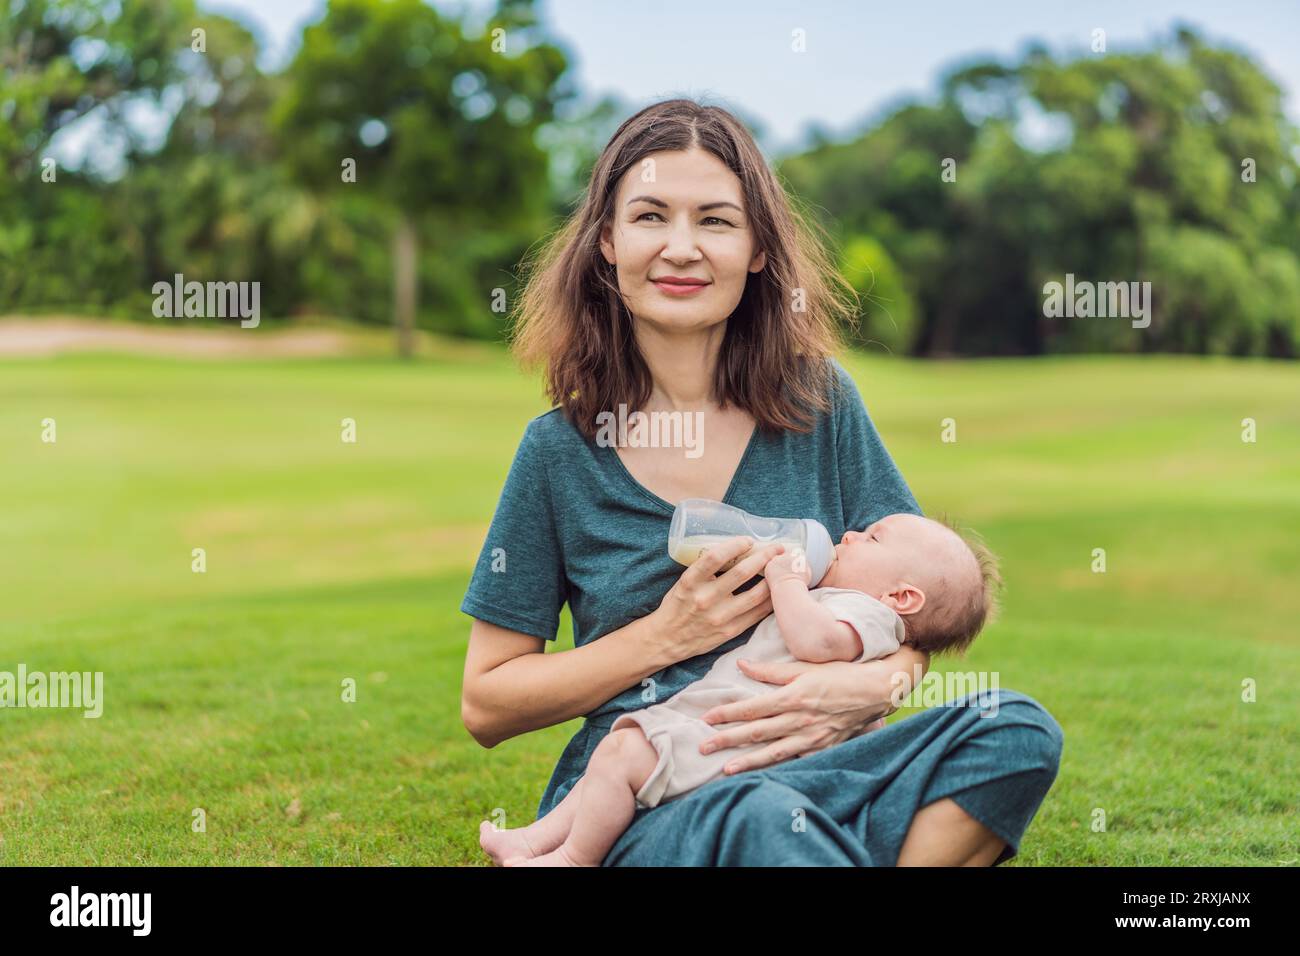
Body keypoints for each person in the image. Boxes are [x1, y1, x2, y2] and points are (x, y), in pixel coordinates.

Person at [460, 98, 1063, 866]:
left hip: (827, 767)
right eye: (650, 216)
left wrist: (875, 689)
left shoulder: (822, 404)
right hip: (651, 792)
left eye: (715, 220)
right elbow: (487, 702)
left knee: (1012, 730)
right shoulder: (558, 453)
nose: (681, 248)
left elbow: (918, 608)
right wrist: (665, 637)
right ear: (607, 242)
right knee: (760, 818)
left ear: (756, 250)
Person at [480, 513, 1002, 866]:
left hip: (737, 742)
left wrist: (787, 581)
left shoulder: (867, 614)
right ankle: (537, 840)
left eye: (871, 539)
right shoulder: (855, 602)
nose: (849, 535)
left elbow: (816, 642)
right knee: (615, 757)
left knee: (622, 753)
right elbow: (484, 707)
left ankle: (572, 858)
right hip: (720, 729)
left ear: (902, 596)